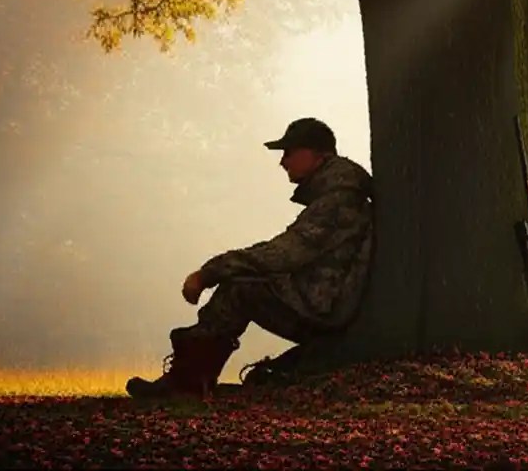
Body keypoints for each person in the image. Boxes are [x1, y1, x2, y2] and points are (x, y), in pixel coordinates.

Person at [126, 118, 374, 398]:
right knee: (244, 284)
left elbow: (285, 253)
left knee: (239, 290)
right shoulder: (340, 194)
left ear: (317, 154)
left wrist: (209, 273)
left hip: (323, 308)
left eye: (289, 152)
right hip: (324, 301)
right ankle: (191, 379)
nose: (283, 162)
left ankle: (185, 383)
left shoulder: (339, 199)